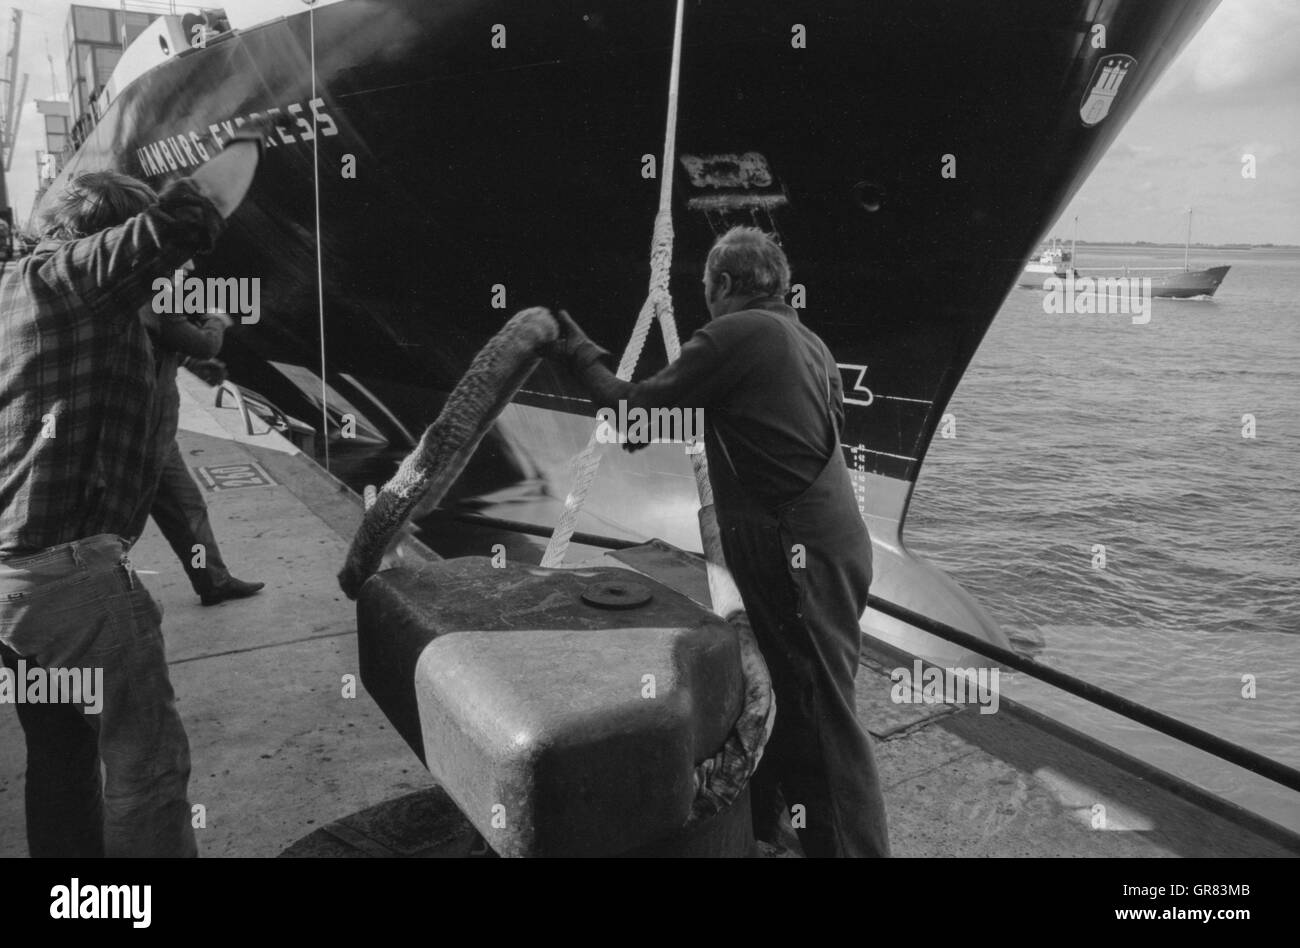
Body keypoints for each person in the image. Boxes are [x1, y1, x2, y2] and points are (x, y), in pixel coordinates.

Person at [547, 226, 890, 857]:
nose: (703, 301)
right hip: (830, 546)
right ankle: (773, 836)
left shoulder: (741, 333)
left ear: (725, 284)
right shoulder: (805, 341)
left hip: (797, 556)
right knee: (781, 698)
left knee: (820, 721)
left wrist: (576, 353)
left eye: (704, 288)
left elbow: (634, 416)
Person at [0, 120, 267, 857]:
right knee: (146, 766)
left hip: (12, 584)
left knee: (58, 756)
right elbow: (189, 215)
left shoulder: (13, 293)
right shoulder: (80, 280)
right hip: (73, 583)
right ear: (105, 245)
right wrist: (253, 142)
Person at [130, 286, 265, 606]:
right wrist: (217, 319)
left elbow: (159, 341)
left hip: (156, 431)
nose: (189, 264)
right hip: (143, 434)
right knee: (118, 527)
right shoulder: (155, 293)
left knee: (187, 509)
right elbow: (206, 343)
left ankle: (213, 580)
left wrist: (189, 362)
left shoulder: (136, 292)